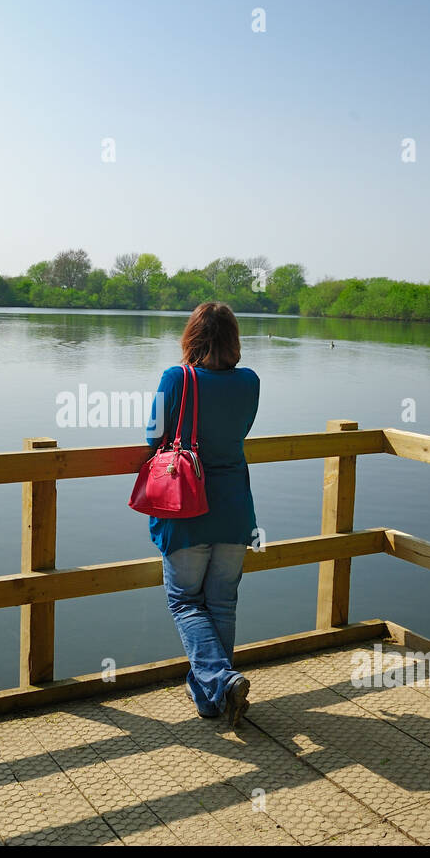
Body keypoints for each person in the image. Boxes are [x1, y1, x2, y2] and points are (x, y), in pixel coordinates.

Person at [146, 302, 259, 726]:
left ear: (190, 336)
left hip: (186, 505)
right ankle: (214, 699)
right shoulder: (250, 382)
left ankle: (221, 679)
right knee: (222, 603)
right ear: (234, 340)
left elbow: (153, 436)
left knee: (185, 602)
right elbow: (237, 432)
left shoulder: (176, 378)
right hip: (234, 507)